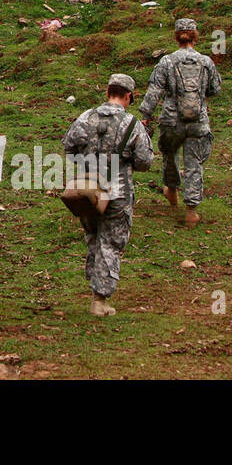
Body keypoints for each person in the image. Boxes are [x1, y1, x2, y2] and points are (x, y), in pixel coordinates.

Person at [63, 74, 154, 316]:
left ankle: (94, 285)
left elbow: (69, 147)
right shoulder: (132, 124)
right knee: (111, 243)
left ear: (107, 93)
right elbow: (145, 162)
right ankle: (99, 300)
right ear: (128, 96)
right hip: (119, 191)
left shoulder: (85, 117)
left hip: (88, 189)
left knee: (93, 237)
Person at [139, 17, 222, 228]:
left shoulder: (166, 61)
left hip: (171, 120)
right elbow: (215, 89)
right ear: (195, 37)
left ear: (176, 37)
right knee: (194, 165)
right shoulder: (206, 62)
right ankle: (191, 211)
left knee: (170, 154)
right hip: (198, 121)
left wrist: (146, 114)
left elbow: (154, 90)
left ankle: (172, 189)